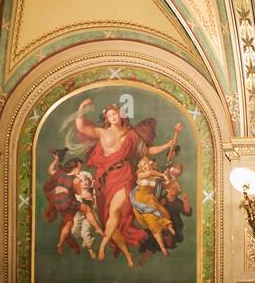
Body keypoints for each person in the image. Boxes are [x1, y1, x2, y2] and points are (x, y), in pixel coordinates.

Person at [72, 99, 182, 267]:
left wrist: (166, 145)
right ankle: (127, 254)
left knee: (115, 211)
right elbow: (81, 127)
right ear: (107, 118)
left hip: (124, 174)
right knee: (110, 218)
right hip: (105, 179)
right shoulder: (102, 132)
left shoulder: (130, 134)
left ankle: (102, 246)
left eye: (115, 113)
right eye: (109, 115)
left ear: (120, 115)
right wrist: (81, 108)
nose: (112, 117)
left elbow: (147, 151)